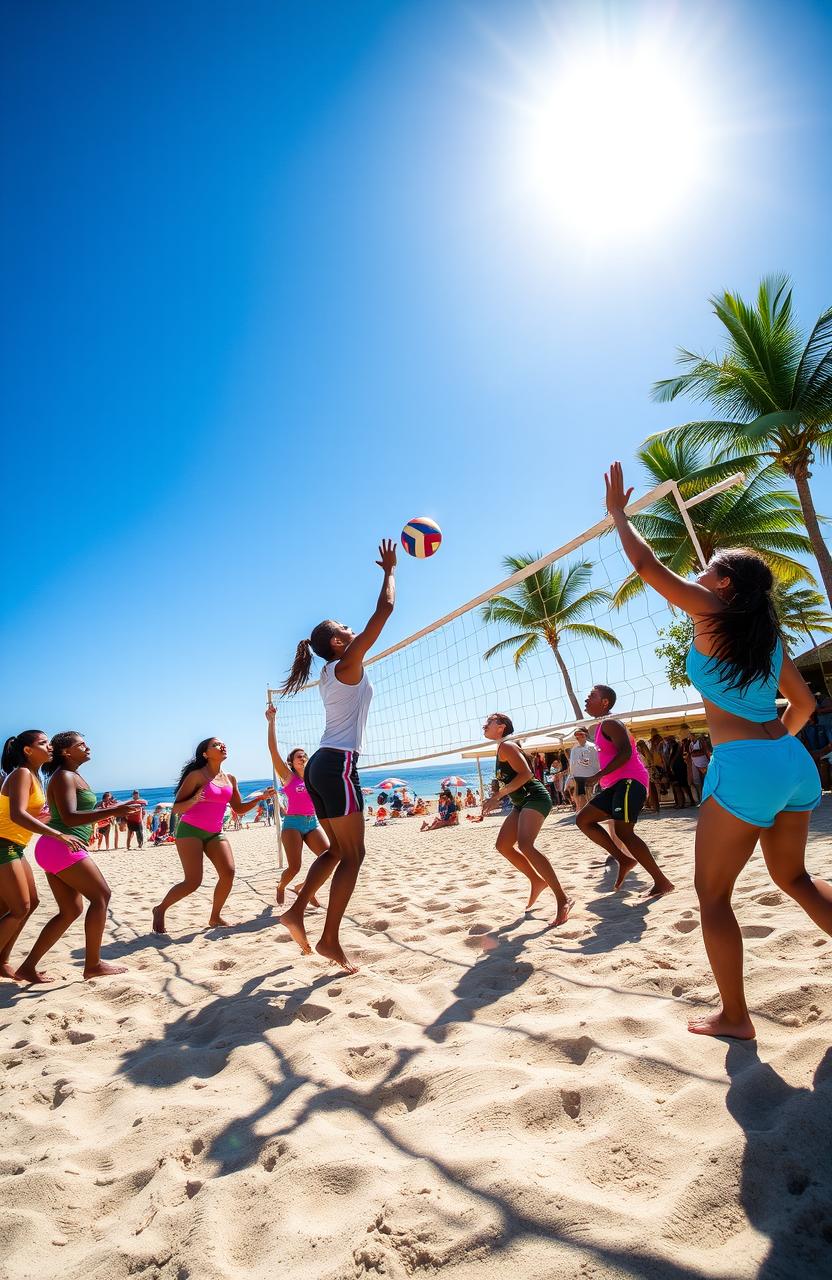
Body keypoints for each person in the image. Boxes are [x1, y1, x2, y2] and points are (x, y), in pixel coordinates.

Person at [606, 460, 826, 1039]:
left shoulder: (713, 614)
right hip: (791, 764)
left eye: (708, 569)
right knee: (795, 880)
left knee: (713, 897)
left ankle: (735, 1017)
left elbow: (646, 565)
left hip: (746, 766)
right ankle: (733, 1013)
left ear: (725, 584)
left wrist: (618, 515)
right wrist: (777, 743)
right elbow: (802, 707)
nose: (700, 574)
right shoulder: (766, 636)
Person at [277, 539, 397, 973]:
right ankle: (328, 938)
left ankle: (297, 911)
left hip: (322, 767)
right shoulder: (345, 664)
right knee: (354, 854)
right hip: (338, 765)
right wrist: (389, 571)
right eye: (345, 627)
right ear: (335, 640)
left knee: (333, 852)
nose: (352, 629)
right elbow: (383, 613)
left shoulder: (331, 671)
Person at [15, 732, 140, 982]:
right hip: (61, 846)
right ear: (66, 752)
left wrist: (115, 809)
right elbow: (70, 817)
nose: (87, 747)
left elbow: (79, 812)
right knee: (101, 896)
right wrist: (115, 811)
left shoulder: (72, 775)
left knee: (70, 910)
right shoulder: (63, 777)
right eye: (80, 744)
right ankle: (92, 964)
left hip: (56, 848)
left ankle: (27, 967)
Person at [152, 737, 273, 933]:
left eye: (223, 743)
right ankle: (160, 909)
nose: (222, 746)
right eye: (215, 745)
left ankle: (215, 916)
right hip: (190, 830)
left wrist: (261, 798)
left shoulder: (230, 778)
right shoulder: (196, 776)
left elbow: (239, 809)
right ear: (205, 754)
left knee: (229, 872)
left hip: (215, 832)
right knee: (193, 882)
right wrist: (194, 799)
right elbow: (176, 808)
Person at [576, 686, 675, 899]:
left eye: (592, 695)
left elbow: (626, 752)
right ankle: (623, 859)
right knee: (583, 820)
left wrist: (597, 775)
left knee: (624, 832)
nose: (586, 698)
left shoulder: (611, 722)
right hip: (615, 785)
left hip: (630, 781)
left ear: (605, 702)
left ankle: (662, 881)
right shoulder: (602, 725)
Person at [1, 731, 82, 980]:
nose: (49, 747)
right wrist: (58, 835)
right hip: (3, 846)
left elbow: (22, 815)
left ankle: (2, 961)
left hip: (16, 846)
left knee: (29, 904)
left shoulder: (34, 776)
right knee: (19, 908)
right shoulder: (22, 774)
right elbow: (16, 815)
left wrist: (43, 820)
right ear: (27, 750)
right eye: (43, 743)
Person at [481, 713, 573, 924]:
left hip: (535, 797)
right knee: (503, 845)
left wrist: (497, 796)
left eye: (489, 722)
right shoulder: (501, 747)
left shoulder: (507, 746)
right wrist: (496, 797)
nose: (484, 725)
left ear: (501, 727)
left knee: (526, 845)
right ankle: (536, 880)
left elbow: (526, 774)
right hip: (521, 802)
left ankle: (563, 898)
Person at [265, 705, 329, 907]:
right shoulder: (288, 777)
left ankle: (304, 888)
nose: (303, 757)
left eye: (305, 755)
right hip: (293, 824)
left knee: (329, 858)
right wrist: (271, 721)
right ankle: (281, 886)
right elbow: (273, 750)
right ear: (291, 762)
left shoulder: (314, 777)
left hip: (312, 823)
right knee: (294, 866)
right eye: (298, 756)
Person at [569, 728, 600, 812]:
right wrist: (571, 775)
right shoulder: (574, 749)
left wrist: (597, 775)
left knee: (590, 794)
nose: (580, 737)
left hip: (590, 774)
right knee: (581, 795)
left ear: (585, 735)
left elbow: (596, 761)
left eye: (582, 734)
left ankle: (590, 812)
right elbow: (572, 763)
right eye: (578, 735)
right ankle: (583, 811)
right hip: (578, 775)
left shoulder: (592, 747)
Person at [665, 735, 695, 807]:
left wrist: (671, 765)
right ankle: (682, 802)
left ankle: (684, 802)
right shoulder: (671, 747)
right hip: (676, 767)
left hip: (679, 767)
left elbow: (675, 756)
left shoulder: (677, 746)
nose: (668, 741)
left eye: (669, 740)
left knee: (682, 785)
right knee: (679, 785)